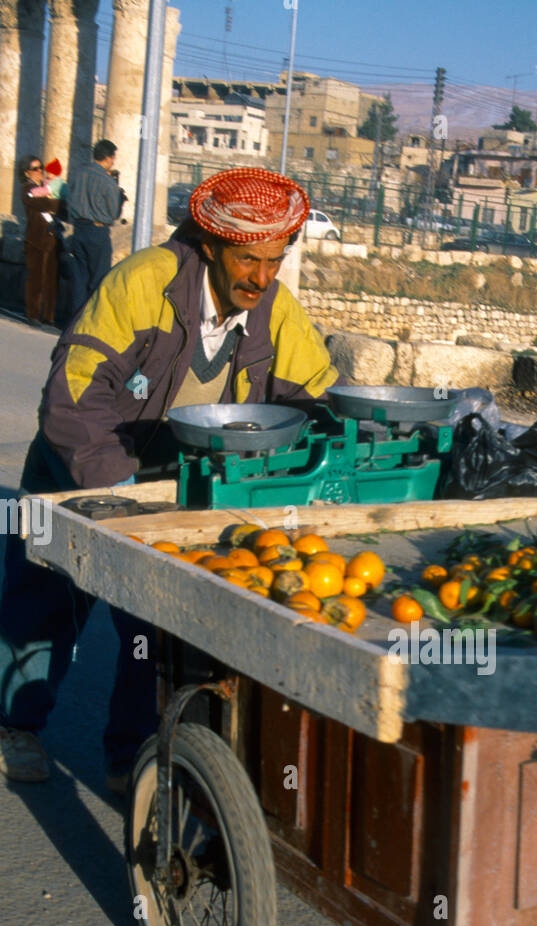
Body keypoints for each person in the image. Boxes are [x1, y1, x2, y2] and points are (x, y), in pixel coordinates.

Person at [0, 166, 341, 790]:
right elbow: (71, 396)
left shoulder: (274, 311)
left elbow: (318, 399)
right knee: (45, 600)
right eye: (248, 260)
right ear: (211, 245)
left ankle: (132, 759)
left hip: (170, 484)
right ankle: (15, 723)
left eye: (275, 260)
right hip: (83, 459)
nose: (261, 278)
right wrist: (115, 490)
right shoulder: (145, 281)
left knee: (155, 625)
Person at [66, 138, 124, 323]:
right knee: (98, 279)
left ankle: (75, 321)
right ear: (108, 157)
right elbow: (113, 212)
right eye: (113, 157)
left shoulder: (78, 174)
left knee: (80, 278)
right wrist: (120, 197)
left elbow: (69, 200)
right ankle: (91, 322)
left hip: (79, 229)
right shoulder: (107, 181)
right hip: (97, 231)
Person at [18, 155, 61, 326]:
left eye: (41, 167)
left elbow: (59, 206)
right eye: (35, 168)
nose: (40, 171)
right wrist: (55, 202)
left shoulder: (46, 188)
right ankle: (33, 313)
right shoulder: (27, 189)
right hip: (35, 239)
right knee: (35, 278)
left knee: (51, 279)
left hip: (51, 239)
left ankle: (48, 315)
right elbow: (47, 205)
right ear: (27, 172)